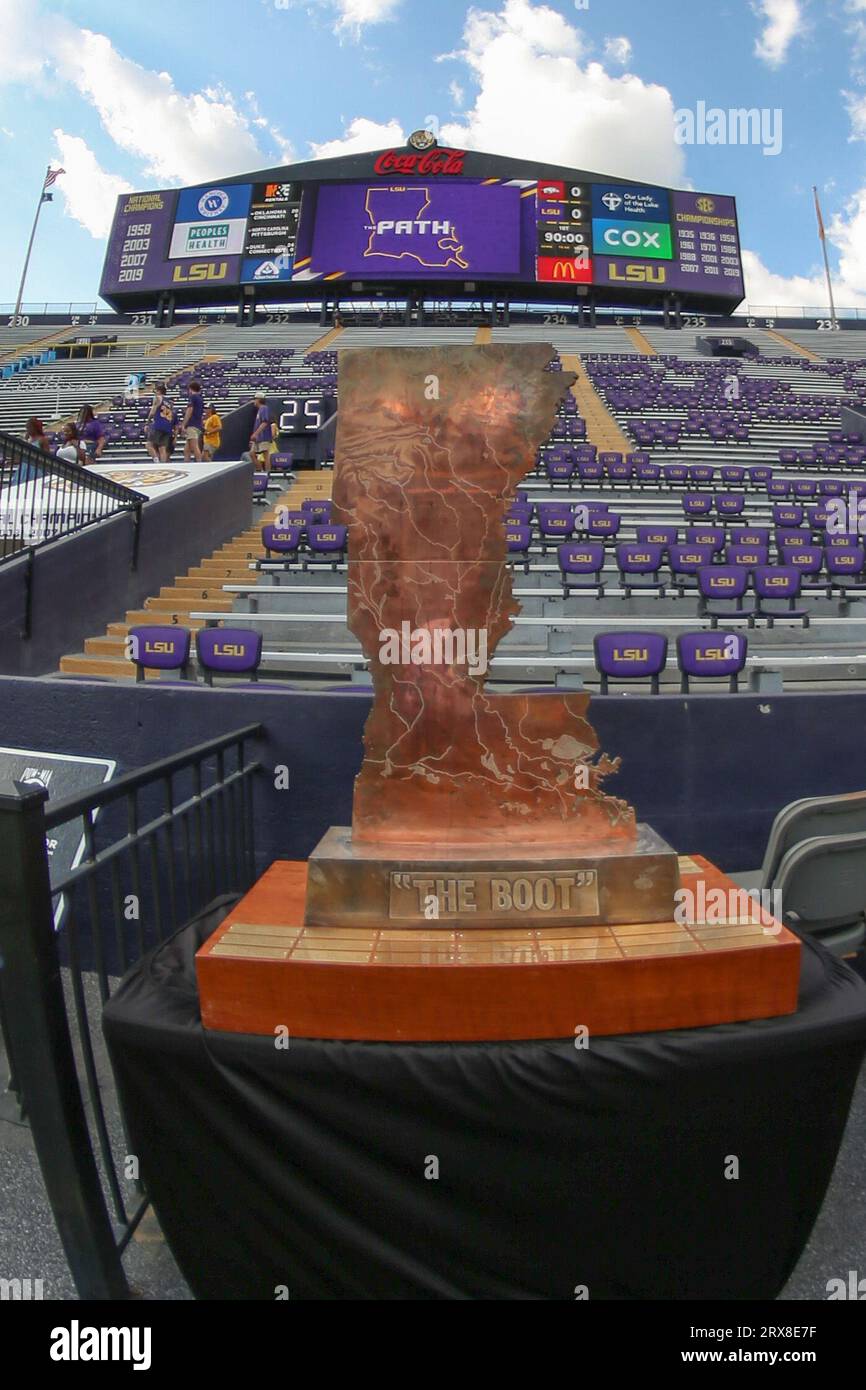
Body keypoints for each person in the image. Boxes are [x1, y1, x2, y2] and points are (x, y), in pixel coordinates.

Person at [145, 383, 174, 463]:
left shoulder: (158, 398)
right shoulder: (170, 401)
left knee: (149, 445)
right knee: (162, 448)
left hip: (158, 424)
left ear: (159, 391)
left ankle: (156, 461)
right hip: (168, 425)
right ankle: (163, 464)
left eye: (156, 391)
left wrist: (147, 422)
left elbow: (152, 411)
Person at [249, 391, 272, 473]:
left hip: (264, 436)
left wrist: (256, 434)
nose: (254, 401)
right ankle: (261, 470)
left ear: (259, 399)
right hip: (259, 437)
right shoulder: (259, 410)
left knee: (266, 454)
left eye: (255, 399)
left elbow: (264, 422)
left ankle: (267, 473)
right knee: (252, 453)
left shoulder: (264, 408)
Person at [182, 380, 205, 462]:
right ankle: (187, 464)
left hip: (192, 424)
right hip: (198, 425)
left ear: (190, 389)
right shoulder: (200, 399)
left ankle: (199, 463)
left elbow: (189, 410)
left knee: (194, 446)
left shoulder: (193, 397)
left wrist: (183, 424)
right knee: (186, 450)